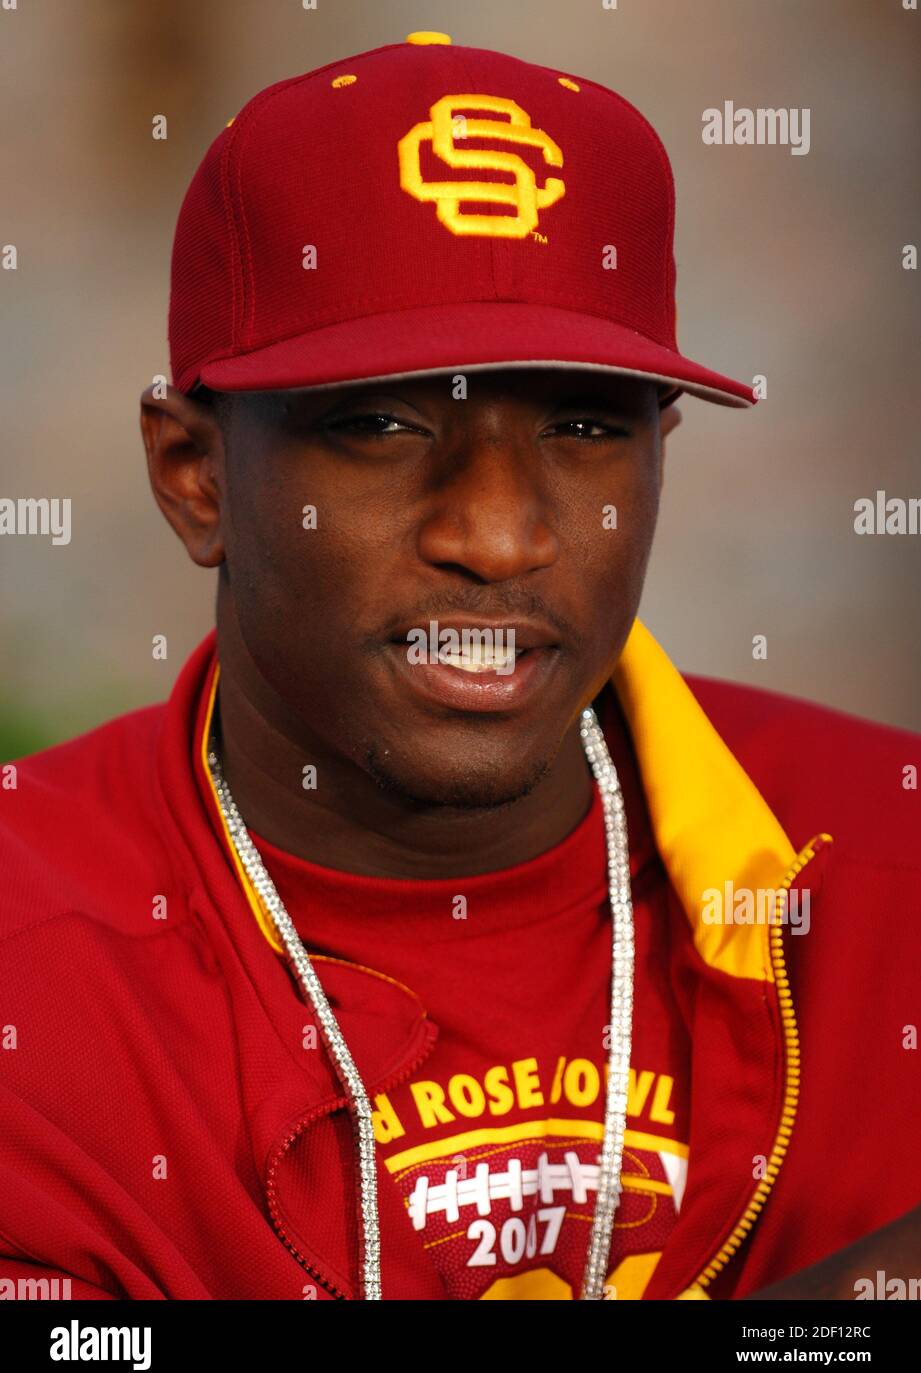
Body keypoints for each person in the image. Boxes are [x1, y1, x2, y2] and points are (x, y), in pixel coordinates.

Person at [1, 32, 919, 1303]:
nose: (497, 536)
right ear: (196, 475)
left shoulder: (886, 861)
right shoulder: (30, 965)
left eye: (582, 424)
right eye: (380, 424)